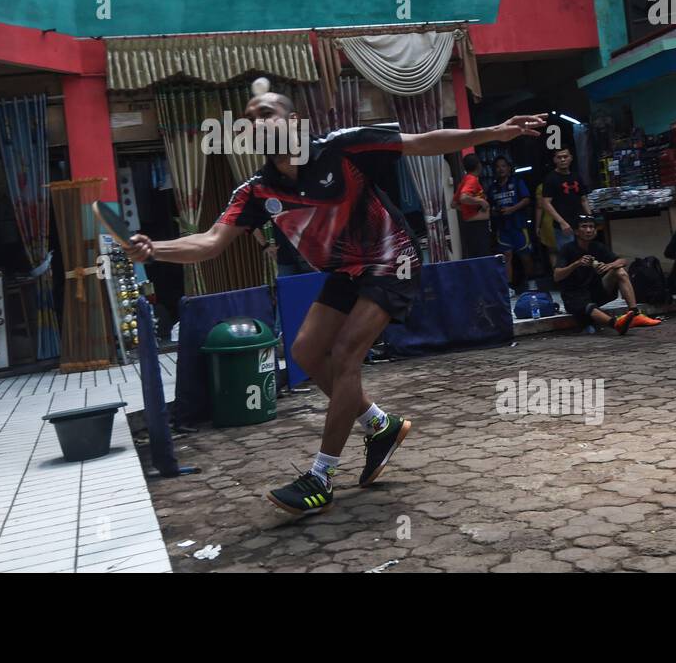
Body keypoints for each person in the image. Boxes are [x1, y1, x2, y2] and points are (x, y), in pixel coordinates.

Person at [123, 89, 545, 517]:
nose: (256, 123)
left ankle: (321, 477)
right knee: (305, 350)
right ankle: (380, 424)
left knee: (344, 355)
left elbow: (422, 141)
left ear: (294, 121)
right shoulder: (256, 189)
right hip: (345, 270)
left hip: (390, 258)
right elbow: (211, 242)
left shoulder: (341, 147)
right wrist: (154, 249)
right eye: (248, 119)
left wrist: (492, 132)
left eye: (266, 113)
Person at [553, 217, 657, 333]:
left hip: (596, 292)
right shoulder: (567, 249)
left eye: (591, 227)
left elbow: (623, 261)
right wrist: (576, 264)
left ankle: (635, 313)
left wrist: (609, 266)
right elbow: (557, 276)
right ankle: (616, 324)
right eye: (584, 227)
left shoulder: (598, 247)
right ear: (576, 231)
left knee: (619, 270)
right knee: (587, 306)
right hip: (574, 296)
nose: (588, 230)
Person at [487, 155, 534, 292]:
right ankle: (509, 287)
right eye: (497, 166)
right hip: (503, 228)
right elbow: (489, 207)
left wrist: (512, 209)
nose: (500, 169)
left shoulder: (517, 182)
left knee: (525, 255)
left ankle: (532, 283)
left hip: (518, 225)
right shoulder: (492, 188)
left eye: (503, 166)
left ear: (508, 168)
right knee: (506, 256)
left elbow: (526, 199)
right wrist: (495, 212)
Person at [540, 147, 591, 250]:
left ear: (571, 158)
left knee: (585, 254)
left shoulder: (577, 176)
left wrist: (590, 218)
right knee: (568, 257)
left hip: (580, 224)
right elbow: (546, 203)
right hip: (563, 227)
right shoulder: (550, 179)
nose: (563, 160)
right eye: (559, 157)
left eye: (565, 156)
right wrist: (562, 222)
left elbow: (583, 199)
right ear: (555, 160)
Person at [455, 153, 492, 258]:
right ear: (479, 165)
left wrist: (468, 211)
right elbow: (463, 198)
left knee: (476, 258)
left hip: (471, 227)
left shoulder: (464, 181)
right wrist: (481, 202)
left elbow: (454, 204)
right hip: (477, 228)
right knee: (482, 258)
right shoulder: (472, 180)